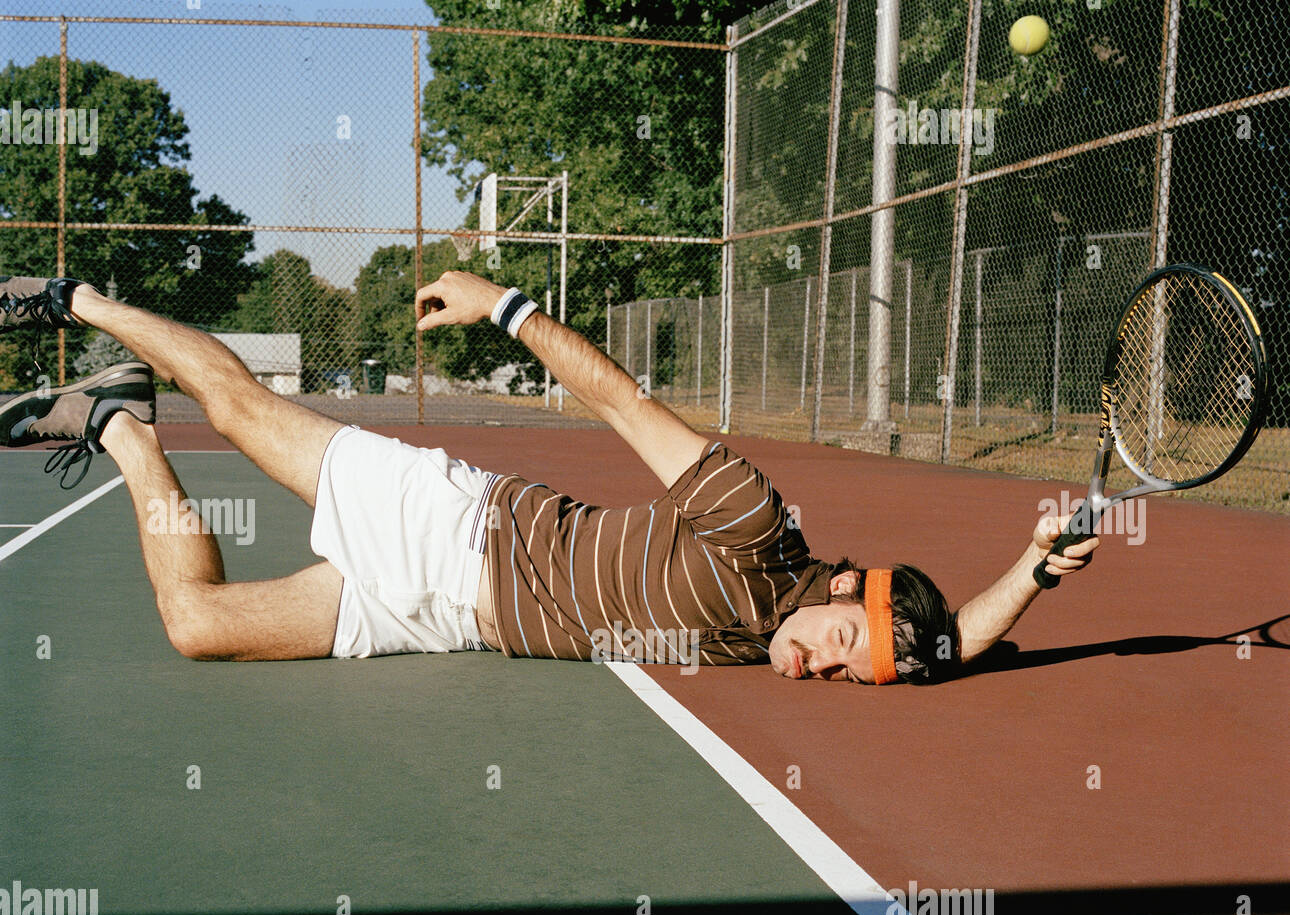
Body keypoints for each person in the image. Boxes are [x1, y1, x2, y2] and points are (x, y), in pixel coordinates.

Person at [0, 271, 1097, 680]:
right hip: (455, 529)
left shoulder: (789, 633)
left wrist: (1034, 570)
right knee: (241, 412)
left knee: (196, 625)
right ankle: (78, 302)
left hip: (444, 620)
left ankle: (123, 428)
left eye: (842, 675)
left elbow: (951, 639)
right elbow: (625, 405)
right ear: (848, 592)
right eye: (837, 650)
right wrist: (509, 309)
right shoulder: (754, 524)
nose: (814, 669)